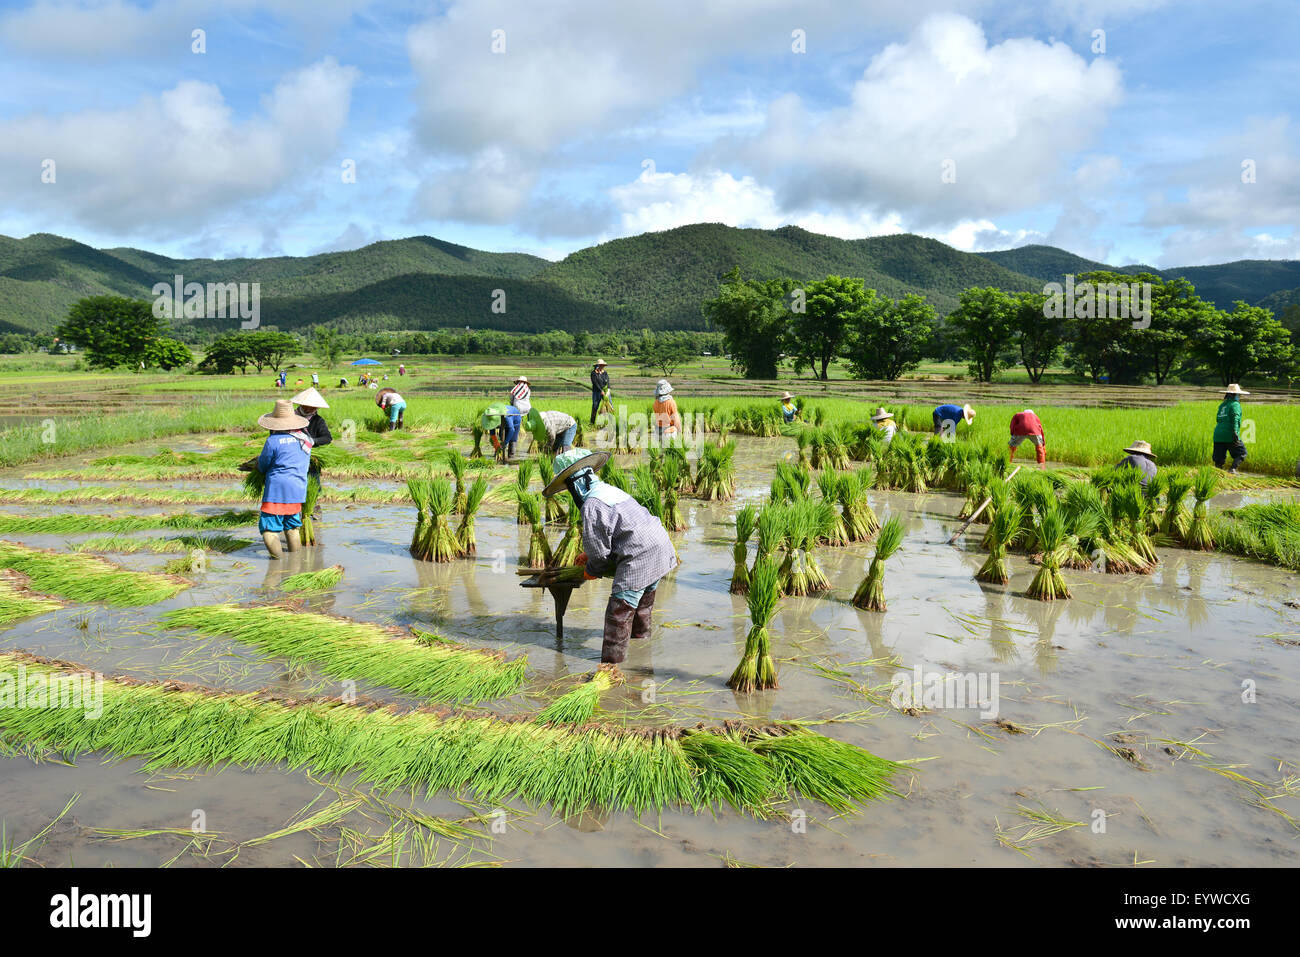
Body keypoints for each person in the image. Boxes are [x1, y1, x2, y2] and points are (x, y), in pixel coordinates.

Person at [543, 448, 678, 675]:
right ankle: (641, 651)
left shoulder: (591, 504)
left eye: (568, 489)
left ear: (576, 485)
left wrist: (590, 570)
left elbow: (598, 554)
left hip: (639, 555)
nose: (570, 494)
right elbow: (619, 529)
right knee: (643, 606)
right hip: (660, 546)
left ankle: (610, 668)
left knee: (619, 612)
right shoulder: (608, 490)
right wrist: (591, 557)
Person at [254, 400, 311, 559]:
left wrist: (256, 466)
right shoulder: (305, 440)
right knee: (292, 527)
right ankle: (294, 562)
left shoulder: (273, 441)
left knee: (269, 529)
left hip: (276, 491)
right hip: (298, 490)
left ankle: (277, 564)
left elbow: (263, 465)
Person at [1213, 383, 1249, 474]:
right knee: (1242, 453)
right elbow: (1235, 419)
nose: (1239, 396)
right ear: (1235, 395)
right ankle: (1232, 469)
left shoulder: (1222, 405)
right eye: (1238, 395)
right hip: (1229, 433)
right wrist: (1235, 433)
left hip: (1218, 434)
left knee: (1219, 458)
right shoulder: (1235, 404)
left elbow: (1218, 419)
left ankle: (1218, 473)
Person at [652, 379, 681, 444]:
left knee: (660, 453)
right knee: (669, 453)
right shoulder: (671, 402)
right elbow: (676, 420)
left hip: (658, 431)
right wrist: (679, 432)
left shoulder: (655, 402)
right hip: (669, 432)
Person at [590, 359, 610, 425]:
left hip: (605, 392)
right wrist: (600, 390)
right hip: (597, 392)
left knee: (608, 406)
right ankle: (592, 423)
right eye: (600, 365)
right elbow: (595, 383)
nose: (602, 366)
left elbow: (608, 382)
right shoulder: (593, 373)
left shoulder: (605, 373)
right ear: (597, 365)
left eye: (603, 365)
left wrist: (608, 390)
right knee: (595, 406)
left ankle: (606, 422)